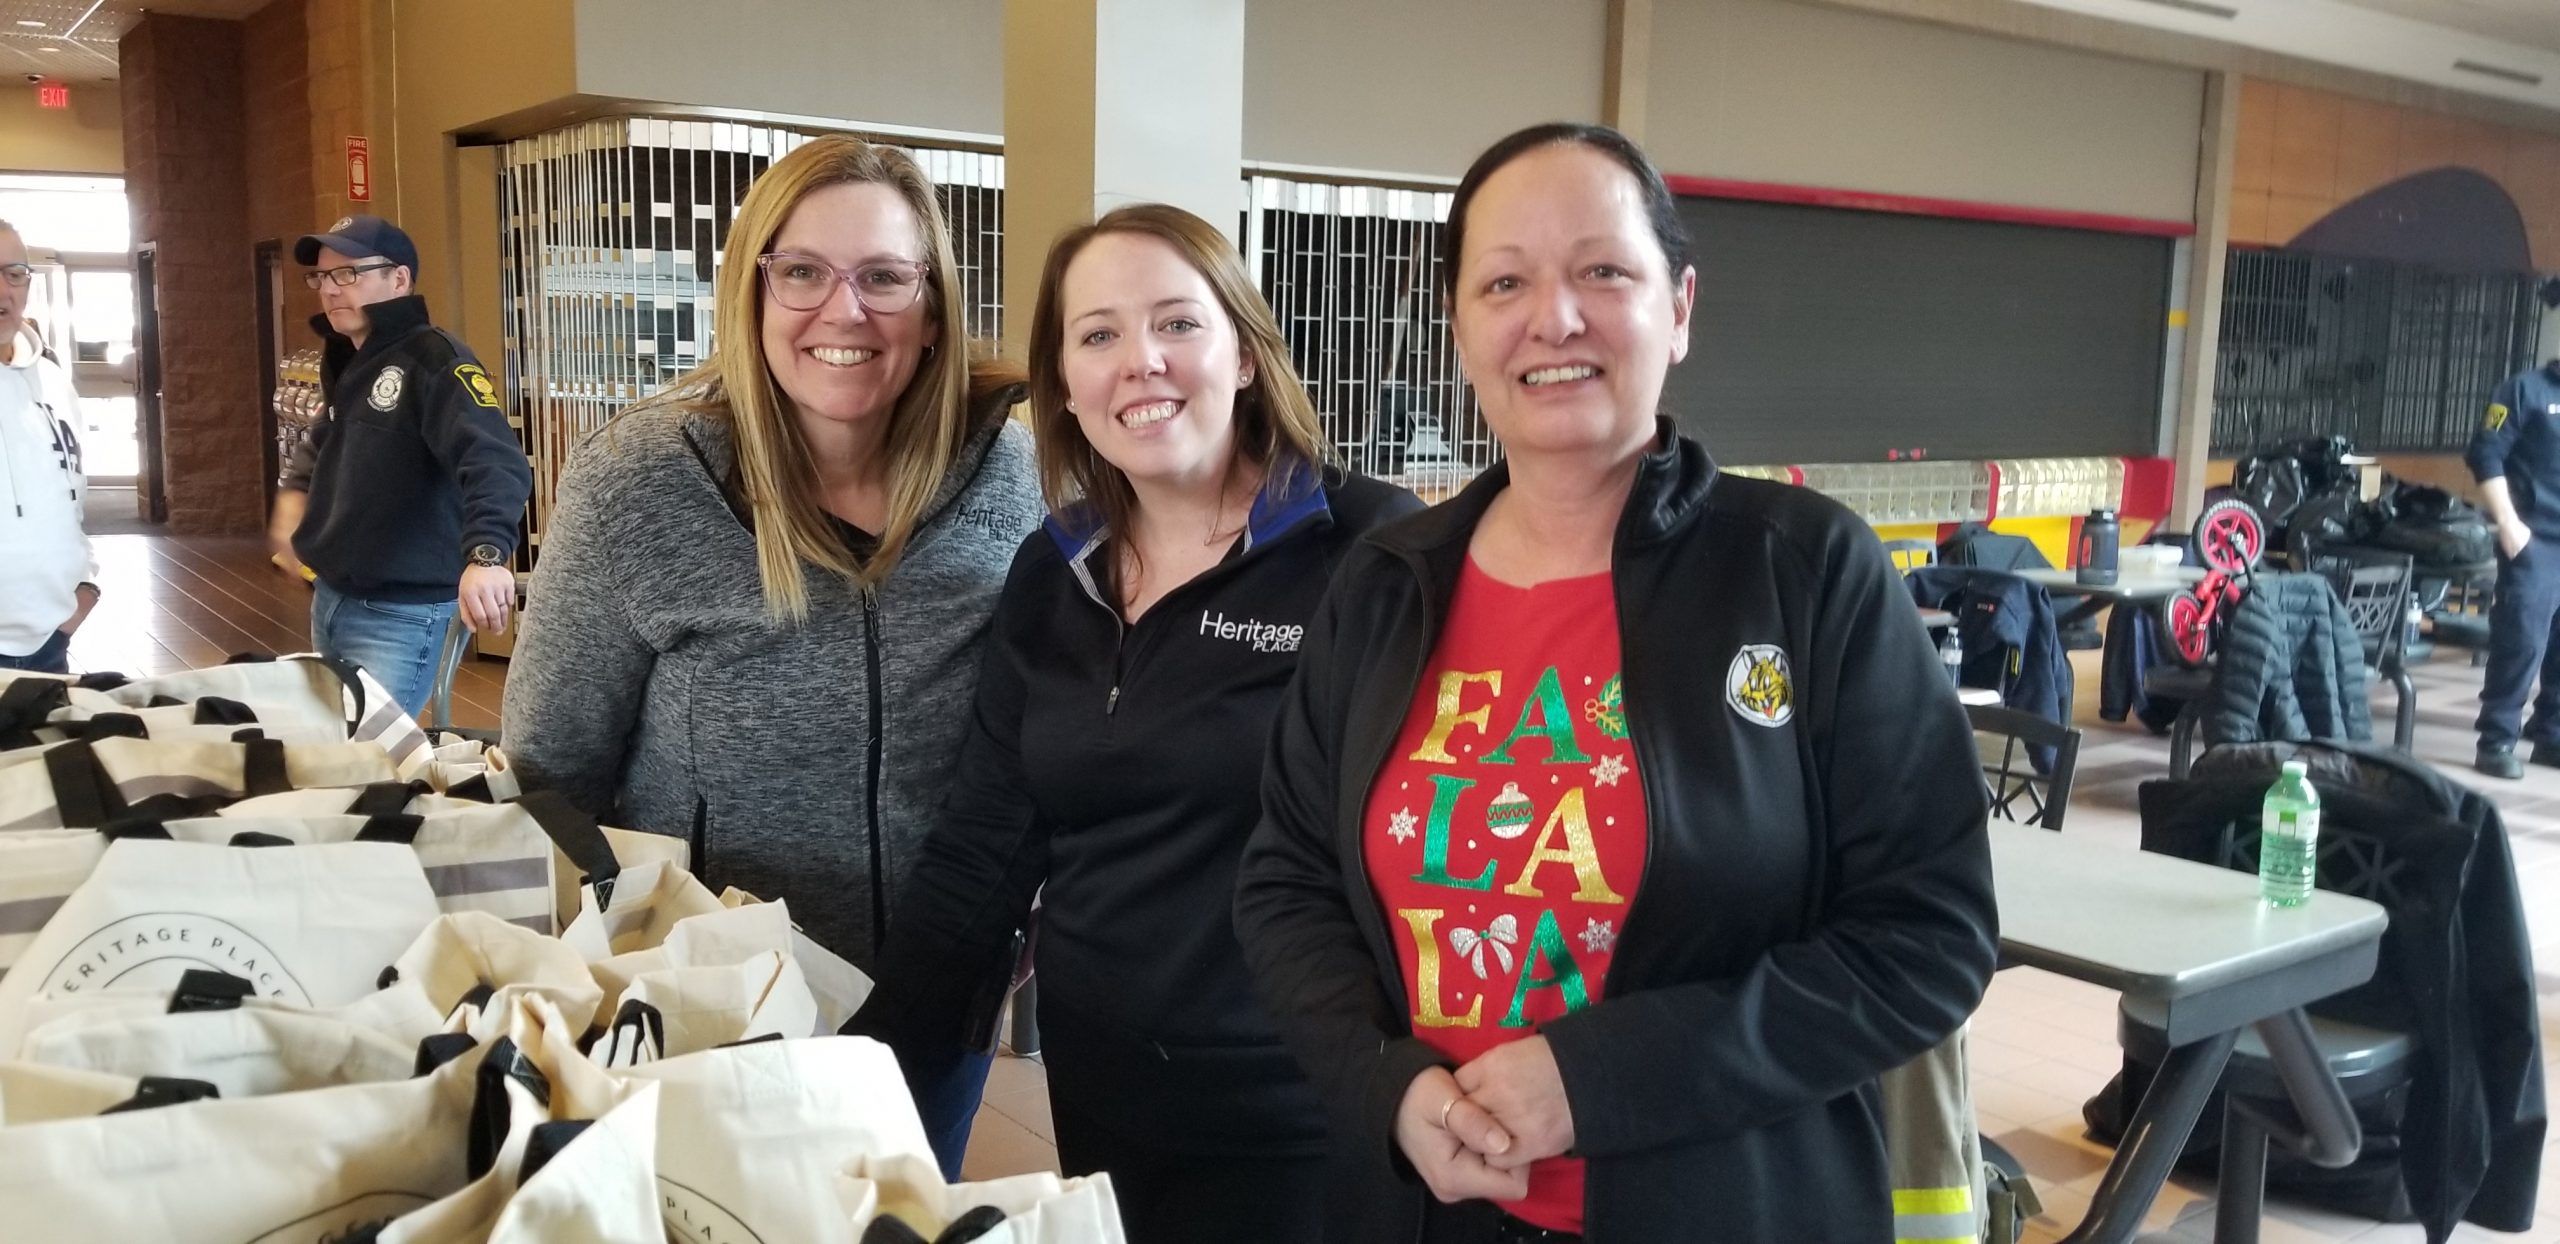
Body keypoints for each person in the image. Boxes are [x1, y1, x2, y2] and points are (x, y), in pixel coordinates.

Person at [1231, 123, 1999, 1243]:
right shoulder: (1389, 580)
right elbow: (1287, 882)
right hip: (1425, 1207)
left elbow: (1926, 935)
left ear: (1677, 307)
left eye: (1603, 270)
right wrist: (1386, 1084)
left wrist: (1590, 1080)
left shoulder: (1800, 569)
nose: (1555, 316)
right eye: (1505, 281)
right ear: (1460, 325)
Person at [849, 204, 1422, 1239]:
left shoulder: (1374, 554)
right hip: (1107, 1087)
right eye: (1099, 334)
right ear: (1063, 381)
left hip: (1308, 1105)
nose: (1140, 362)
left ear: (1244, 354)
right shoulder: (1054, 568)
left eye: (1177, 324)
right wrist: (865, 1055)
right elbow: (987, 838)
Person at [503, 138, 1043, 1035]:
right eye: (802, 272)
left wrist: (1022, 901)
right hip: (712, 996)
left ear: (935, 309)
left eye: (884, 277)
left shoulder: (1008, 476)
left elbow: (1031, 730)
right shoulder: (640, 481)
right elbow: (549, 772)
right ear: (752, 297)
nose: (846, 310)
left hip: (940, 980)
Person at [271, 214, 532, 716]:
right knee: (338, 741)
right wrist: (294, 494)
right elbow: (330, 435)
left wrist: (486, 555)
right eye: (322, 276)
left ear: (399, 279)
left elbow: (495, 459)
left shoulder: (435, 359)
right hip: (333, 593)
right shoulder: (350, 356)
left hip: (402, 611)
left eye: (349, 273)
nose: (330, 289)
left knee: (374, 754)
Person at [0, 223, 99, 673]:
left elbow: (71, 497)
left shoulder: (53, 383)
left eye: (14, 273)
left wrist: (85, 585)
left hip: (48, 644)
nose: (4, 290)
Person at [2466, 355, 2560, 779]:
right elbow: (2486, 452)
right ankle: (2496, 739)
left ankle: (2550, 735)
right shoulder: (2525, 390)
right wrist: (2507, 522)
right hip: (2533, 537)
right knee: (2521, 638)